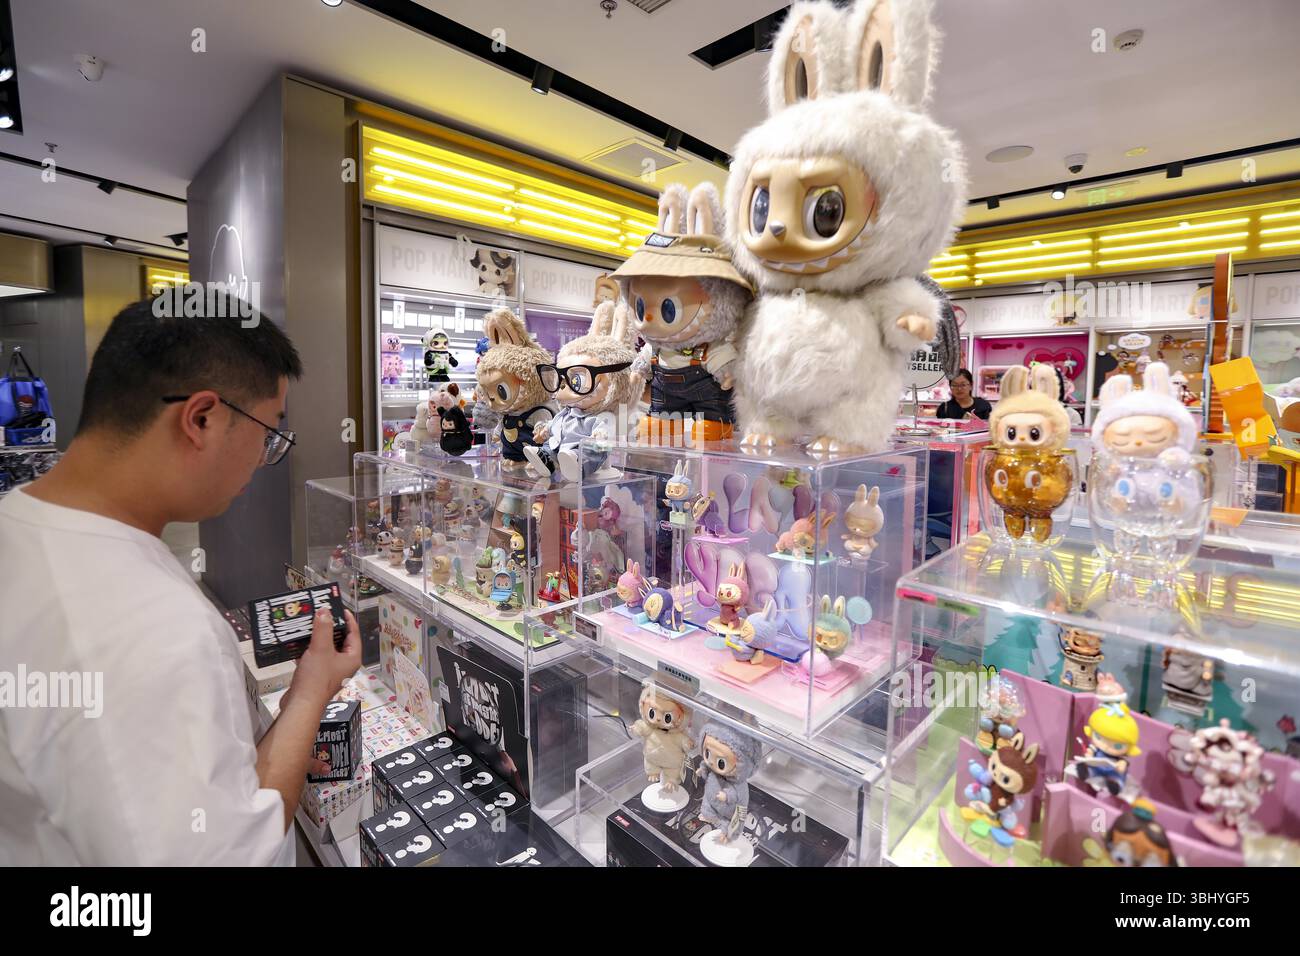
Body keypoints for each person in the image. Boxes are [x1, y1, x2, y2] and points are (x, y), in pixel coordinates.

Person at [0, 295, 361, 865]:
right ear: (202, 418)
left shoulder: (20, 521)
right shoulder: (157, 630)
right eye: (269, 433)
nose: (264, 458)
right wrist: (313, 688)